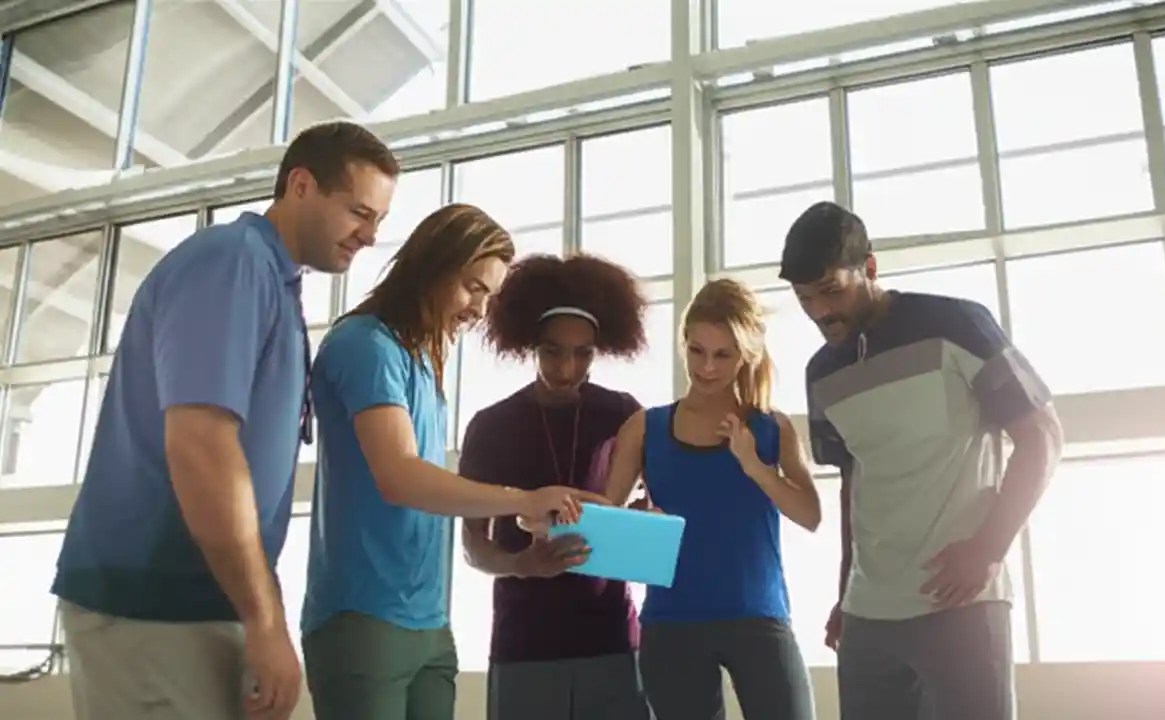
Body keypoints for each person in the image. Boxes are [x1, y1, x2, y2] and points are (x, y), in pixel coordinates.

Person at [49, 120, 399, 720]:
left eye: (378, 222)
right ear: (300, 185)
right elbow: (202, 446)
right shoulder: (231, 263)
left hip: (204, 601)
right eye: (358, 212)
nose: (368, 236)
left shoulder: (276, 285)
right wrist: (266, 619)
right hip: (153, 603)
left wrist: (257, 611)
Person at [300, 205, 601, 720]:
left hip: (430, 624)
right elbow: (399, 476)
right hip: (363, 617)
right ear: (433, 265)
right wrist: (524, 499)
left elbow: (434, 487)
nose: (479, 310)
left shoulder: (422, 363)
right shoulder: (365, 345)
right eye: (473, 288)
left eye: (489, 295)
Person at [780, 201, 1064, 720]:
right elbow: (853, 484)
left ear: (869, 267)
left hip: (961, 601)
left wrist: (988, 548)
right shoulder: (820, 373)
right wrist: (845, 592)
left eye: (831, 291)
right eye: (805, 299)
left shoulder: (957, 324)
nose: (820, 312)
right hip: (868, 612)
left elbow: (1042, 435)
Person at [600, 278, 821, 720]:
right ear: (683, 345)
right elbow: (605, 531)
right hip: (672, 623)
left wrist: (754, 466)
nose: (706, 368)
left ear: (746, 355)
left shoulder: (772, 428)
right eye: (696, 351)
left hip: (759, 617)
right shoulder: (645, 428)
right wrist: (639, 522)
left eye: (723, 355)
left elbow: (810, 515)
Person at [458, 252, 654, 720]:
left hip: (611, 644)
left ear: (599, 348)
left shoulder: (623, 412)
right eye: (553, 350)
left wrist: (638, 525)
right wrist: (520, 564)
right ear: (530, 344)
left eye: (583, 353)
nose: (567, 367)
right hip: (523, 646)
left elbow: (656, 505)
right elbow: (471, 546)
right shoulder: (491, 426)